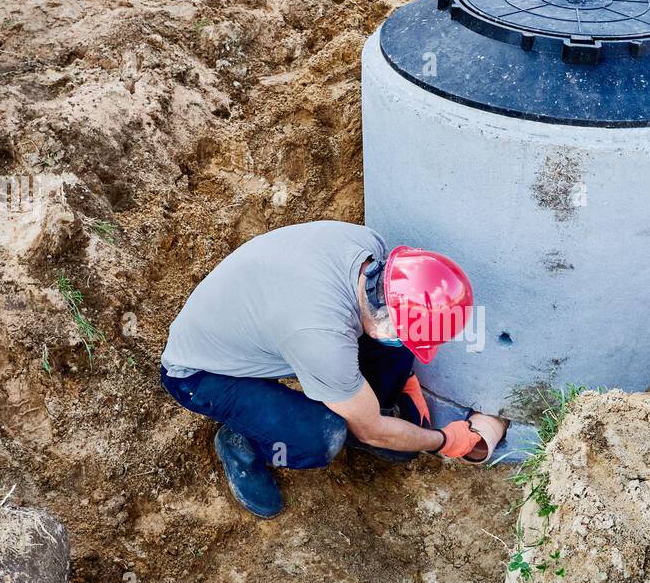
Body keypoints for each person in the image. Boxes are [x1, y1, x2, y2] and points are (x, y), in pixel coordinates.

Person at [159, 221, 503, 518]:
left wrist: (404, 378)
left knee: (389, 354)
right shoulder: (321, 337)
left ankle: (364, 401)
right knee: (323, 437)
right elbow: (373, 432)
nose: (408, 346)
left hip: (261, 323)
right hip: (202, 375)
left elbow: (380, 333)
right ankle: (242, 441)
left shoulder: (369, 251)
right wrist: (443, 440)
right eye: (407, 336)